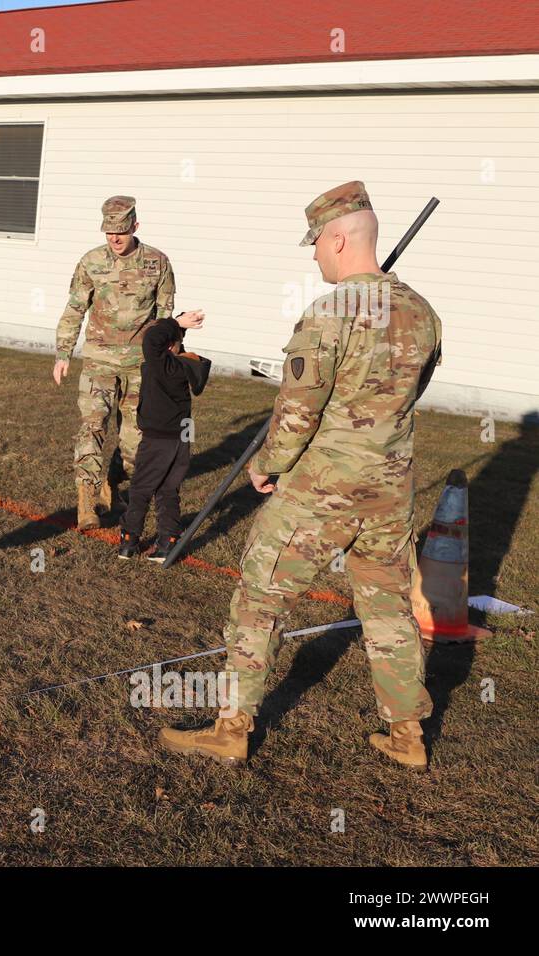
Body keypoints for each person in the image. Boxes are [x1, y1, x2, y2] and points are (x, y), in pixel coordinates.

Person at [159, 181, 443, 770]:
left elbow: (298, 410)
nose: (314, 256)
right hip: (390, 491)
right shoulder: (422, 311)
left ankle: (232, 728)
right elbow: (411, 393)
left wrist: (266, 466)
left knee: (259, 601)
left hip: (322, 489)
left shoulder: (330, 313)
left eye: (316, 244)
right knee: (388, 608)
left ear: (339, 238)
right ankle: (408, 734)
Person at [53, 196, 205, 530]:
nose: (115, 239)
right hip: (98, 362)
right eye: (109, 233)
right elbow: (75, 308)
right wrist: (63, 353)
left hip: (141, 365)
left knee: (135, 438)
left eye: (121, 232)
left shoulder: (157, 262)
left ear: (135, 226)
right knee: (93, 426)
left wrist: (173, 355)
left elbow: (165, 315)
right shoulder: (91, 262)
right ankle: (86, 502)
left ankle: (113, 481)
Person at [118, 319, 210, 561]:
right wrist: (180, 328)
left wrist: (176, 322)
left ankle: (129, 538)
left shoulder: (164, 364)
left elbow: (152, 341)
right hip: (181, 437)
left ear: (167, 346)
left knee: (140, 487)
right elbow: (159, 341)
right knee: (168, 489)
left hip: (158, 439)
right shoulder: (183, 365)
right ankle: (168, 541)